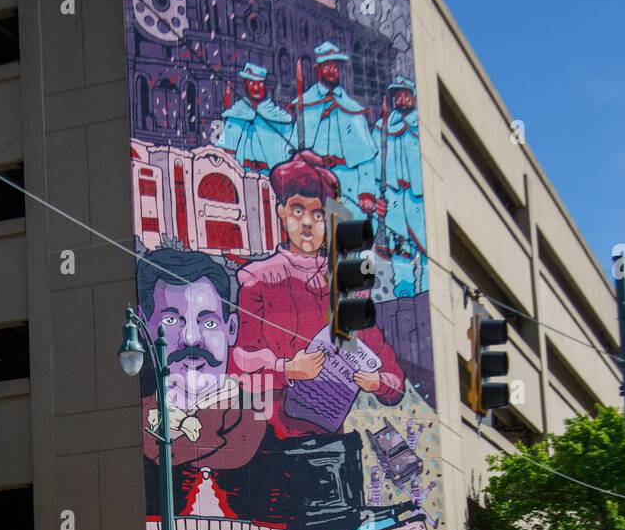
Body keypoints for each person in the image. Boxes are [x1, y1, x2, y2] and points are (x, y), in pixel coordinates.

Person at [232, 151, 405, 439]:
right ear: (282, 212)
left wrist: (379, 383)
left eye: (318, 213)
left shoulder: (346, 287)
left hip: (329, 443)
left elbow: (393, 376)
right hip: (265, 439)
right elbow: (239, 366)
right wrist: (286, 369)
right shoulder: (258, 278)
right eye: (298, 210)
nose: (308, 223)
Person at [136, 247, 266, 471]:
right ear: (143, 327)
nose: (191, 339)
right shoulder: (129, 423)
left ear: (231, 328)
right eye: (171, 320)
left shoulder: (253, 423)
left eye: (209, 323)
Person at [294, 42, 377, 212]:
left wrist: (366, 192)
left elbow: (366, 158)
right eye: (327, 66)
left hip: (348, 187)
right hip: (315, 182)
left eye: (335, 66)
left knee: (344, 236)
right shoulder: (306, 104)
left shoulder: (352, 108)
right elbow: (293, 151)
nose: (332, 70)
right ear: (318, 69)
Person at [374, 77, 427, 297]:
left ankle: (424, 291)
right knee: (398, 251)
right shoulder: (384, 127)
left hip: (417, 199)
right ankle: (403, 293)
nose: (401, 99)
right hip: (395, 197)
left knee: (424, 249)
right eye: (398, 95)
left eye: (405, 94)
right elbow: (376, 165)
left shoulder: (422, 125)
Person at [220, 63, 295, 173]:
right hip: (240, 175)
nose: (256, 88)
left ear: (265, 86)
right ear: (245, 85)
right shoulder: (235, 116)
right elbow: (224, 149)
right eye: (251, 82)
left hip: (269, 176)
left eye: (260, 83)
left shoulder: (278, 119)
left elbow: (289, 152)